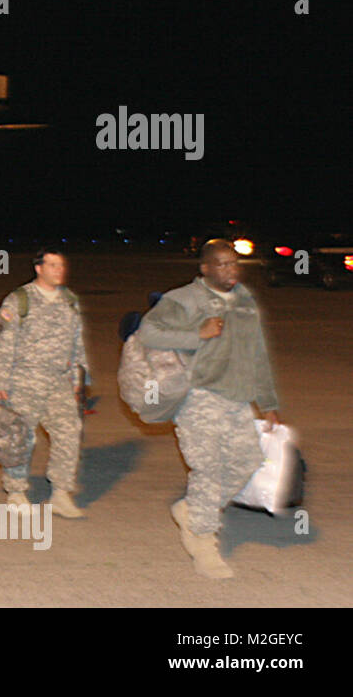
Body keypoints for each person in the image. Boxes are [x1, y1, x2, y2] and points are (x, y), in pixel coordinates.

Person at [137, 238, 281, 579]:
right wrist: (195, 333)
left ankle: (191, 510)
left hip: (238, 399)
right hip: (198, 398)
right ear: (204, 268)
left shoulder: (244, 300)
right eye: (222, 264)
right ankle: (203, 542)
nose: (231, 270)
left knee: (247, 462)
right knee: (209, 469)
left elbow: (257, 352)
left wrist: (269, 402)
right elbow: (148, 332)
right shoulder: (185, 299)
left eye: (234, 264)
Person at [0, 249, 89, 517]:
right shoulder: (20, 299)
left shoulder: (69, 300)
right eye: (52, 265)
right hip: (24, 380)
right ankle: (16, 491)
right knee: (22, 437)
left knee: (69, 432)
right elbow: (2, 341)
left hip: (59, 381)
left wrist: (79, 377)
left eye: (61, 265)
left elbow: (76, 342)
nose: (59, 270)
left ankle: (61, 492)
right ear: (39, 268)